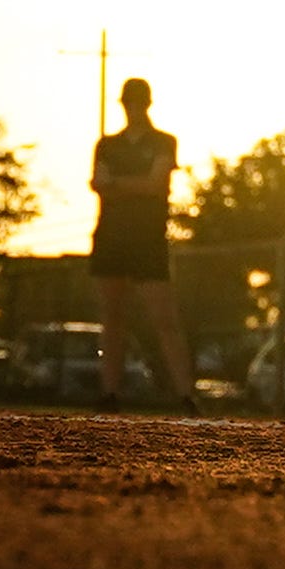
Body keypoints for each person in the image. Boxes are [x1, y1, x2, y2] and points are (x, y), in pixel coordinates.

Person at [89, 79, 188, 409]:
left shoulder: (163, 142)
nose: (133, 108)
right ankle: (109, 393)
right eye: (129, 102)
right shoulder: (107, 144)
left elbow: (156, 185)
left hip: (148, 238)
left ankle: (185, 395)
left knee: (165, 319)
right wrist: (134, 184)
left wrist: (117, 183)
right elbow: (101, 184)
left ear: (147, 104)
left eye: (137, 102)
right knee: (113, 317)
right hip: (112, 236)